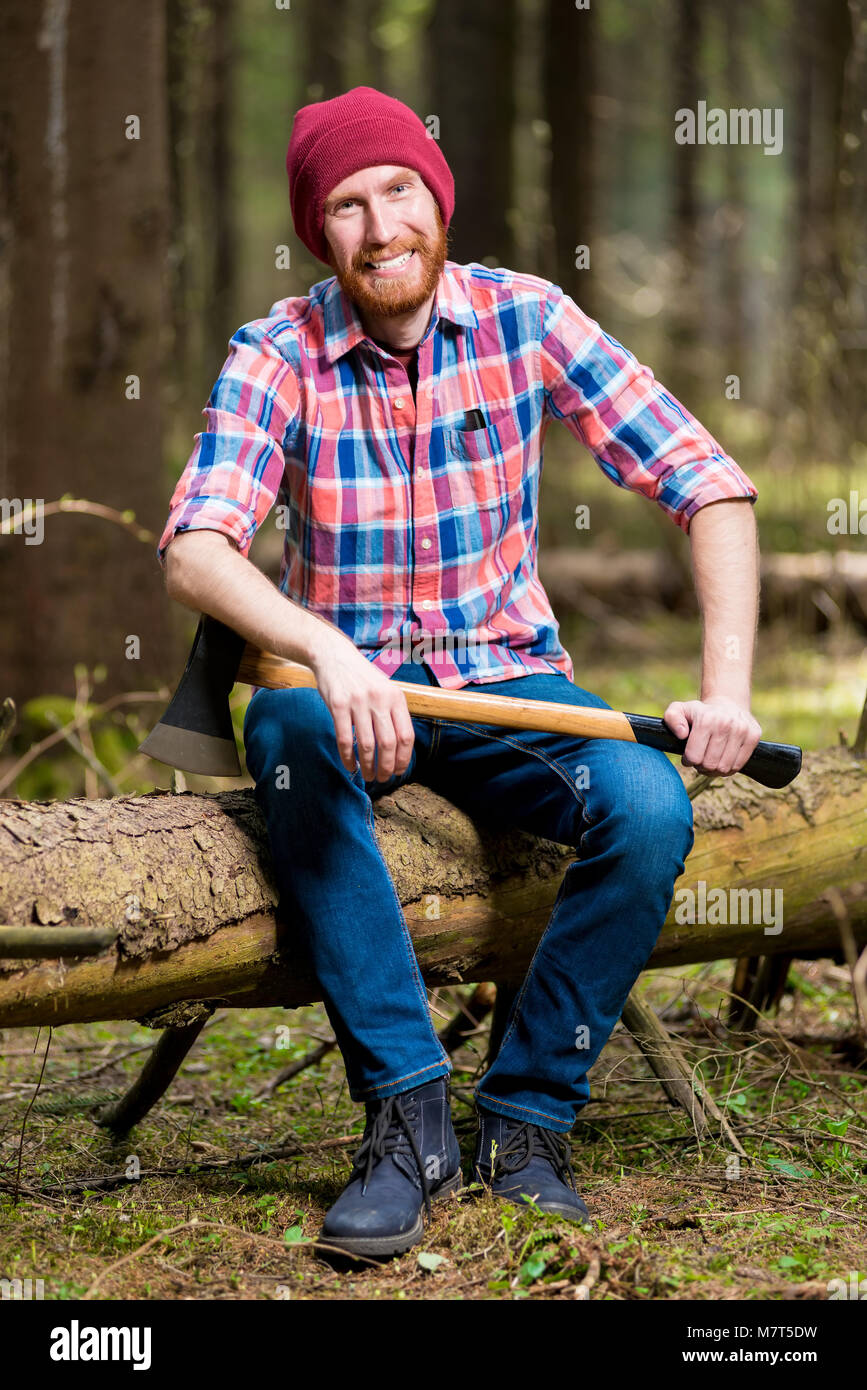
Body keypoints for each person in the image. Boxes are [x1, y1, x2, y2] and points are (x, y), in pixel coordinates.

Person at [157, 87, 761, 1259]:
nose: (379, 226)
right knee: (286, 736)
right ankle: (408, 1115)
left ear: (437, 199)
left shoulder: (526, 317)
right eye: (344, 205)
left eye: (397, 191)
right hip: (345, 700)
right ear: (317, 233)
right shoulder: (277, 350)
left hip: (508, 685)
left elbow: (710, 482)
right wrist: (327, 650)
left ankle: (527, 1116)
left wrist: (727, 689)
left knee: (646, 805)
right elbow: (195, 547)